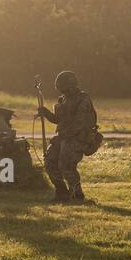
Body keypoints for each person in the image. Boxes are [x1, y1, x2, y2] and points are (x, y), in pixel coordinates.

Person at [39, 70, 101, 203]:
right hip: (64, 137)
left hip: (77, 138)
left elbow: (80, 122)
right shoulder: (63, 99)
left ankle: (77, 195)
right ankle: (62, 193)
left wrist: (64, 137)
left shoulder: (83, 99)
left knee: (66, 165)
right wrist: (46, 113)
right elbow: (59, 119)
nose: (60, 90)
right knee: (50, 161)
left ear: (70, 85)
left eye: (62, 86)